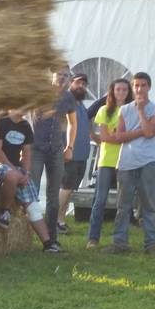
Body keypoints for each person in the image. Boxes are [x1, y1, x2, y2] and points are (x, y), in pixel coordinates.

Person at [103, 72, 155, 255]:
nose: (139, 89)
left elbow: (151, 132)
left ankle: (152, 244)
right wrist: (140, 132)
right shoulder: (124, 110)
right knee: (123, 205)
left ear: (149, 87)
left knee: (148, 206)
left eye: (143, 85)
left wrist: (140, 111)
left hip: (148, 161)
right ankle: (119, 242)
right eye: (136, 85)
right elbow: (119, 136)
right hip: (127, 162)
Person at [0, 110, 61, 253]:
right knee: (12, 176)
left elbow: (27, 153)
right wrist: (14, 171)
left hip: (16, 168)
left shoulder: (25, 126)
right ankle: (5, 211)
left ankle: (48, 244)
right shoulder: (1, 122)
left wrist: (26, 173)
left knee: (33, 203)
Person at [29, 67, 77, 245]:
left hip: (56, 150)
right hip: (36, 149)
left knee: (53, 196)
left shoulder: (69, 97)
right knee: (31, 192)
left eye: (66, 75)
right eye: (59, 75)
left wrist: (69, 146)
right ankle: (29, 235)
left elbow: (73, 123)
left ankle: (52, 238)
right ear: (52, 76)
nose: (62, 78)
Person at [86, 78, 132, 249]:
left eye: (124, 90)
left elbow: (133, 135)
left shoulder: (131, 111)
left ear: (129, 92)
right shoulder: (105, 110)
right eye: (118, 89)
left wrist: (117, 136)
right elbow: (104, 136)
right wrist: (121, 137)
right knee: (100, 200)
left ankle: (120, 239)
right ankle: (93, 237)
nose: (121, 93)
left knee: (124, 201)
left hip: (126, 160)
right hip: (106, 160)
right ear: (112, 91)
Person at [57, 73, 91, 234]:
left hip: (81, 155)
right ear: (71, 83)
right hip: (68, 153)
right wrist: (66, 148)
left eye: (84, 84)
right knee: (65, 187)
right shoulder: (65, 101)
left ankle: (61, 220)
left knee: (70, 189)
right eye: (78, 83)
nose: (81, 86)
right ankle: (56, 221)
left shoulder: (81, 105)